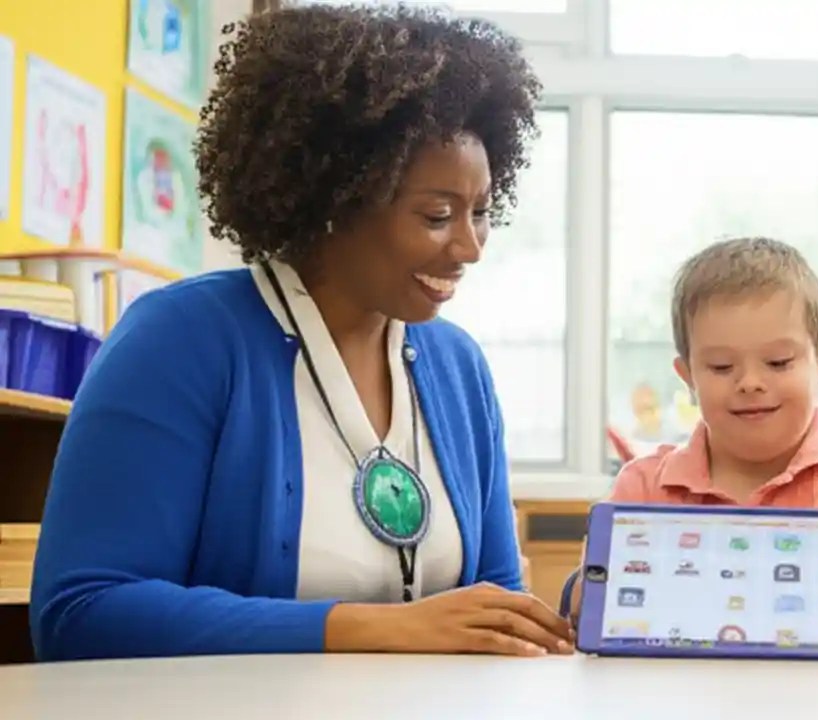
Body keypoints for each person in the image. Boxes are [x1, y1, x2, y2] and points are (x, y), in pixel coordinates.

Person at [29, 4, 573, 661]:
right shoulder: (181, 340)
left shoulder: (459, 368)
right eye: (436, 215)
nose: (470, 247)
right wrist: (377, 628)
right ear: (337, 198)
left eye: (480, 212)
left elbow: (496, 608)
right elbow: (82, 613)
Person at [572, 238, 818, 651]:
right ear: (688, 377)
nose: (751, 383)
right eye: (721, 367)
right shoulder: (643, 484)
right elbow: (591, 608)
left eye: (778, 363)